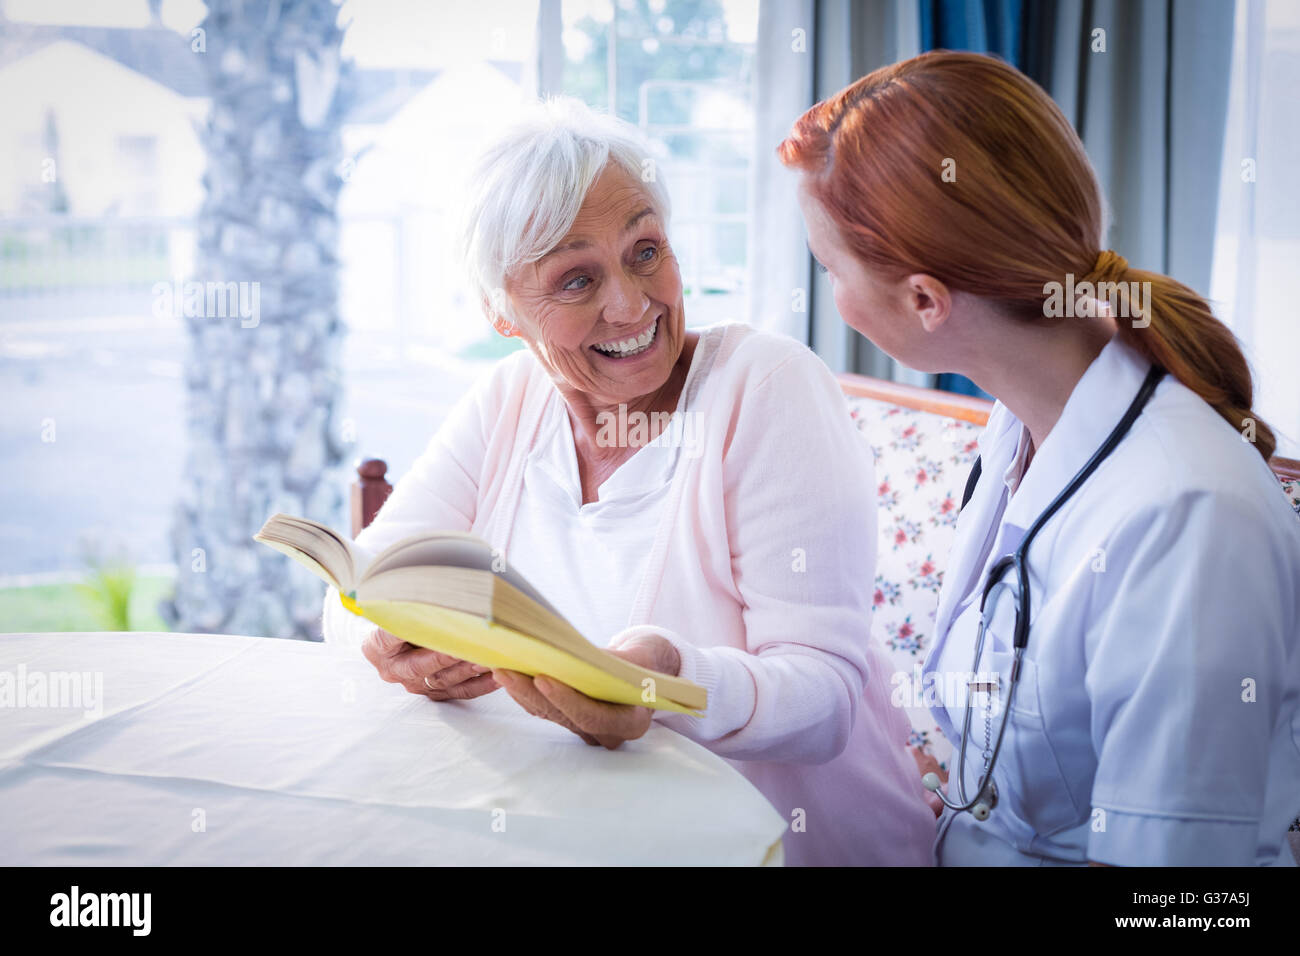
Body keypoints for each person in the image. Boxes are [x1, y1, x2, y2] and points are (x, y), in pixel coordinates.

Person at [322, 96, 936, 866]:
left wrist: (673, 678)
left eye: (645, 250)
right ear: (502, 312)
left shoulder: (766, 385)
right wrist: (381, 639)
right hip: (572, 836)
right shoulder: (508, 400)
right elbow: (360, 583)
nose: (631, 303)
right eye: (576, 280)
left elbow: (825, 703)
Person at [780, 50, 1300, 866]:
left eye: (829, 269)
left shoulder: (1187, 519)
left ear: (925, 300)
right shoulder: (1022, 424)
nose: (833, 297)